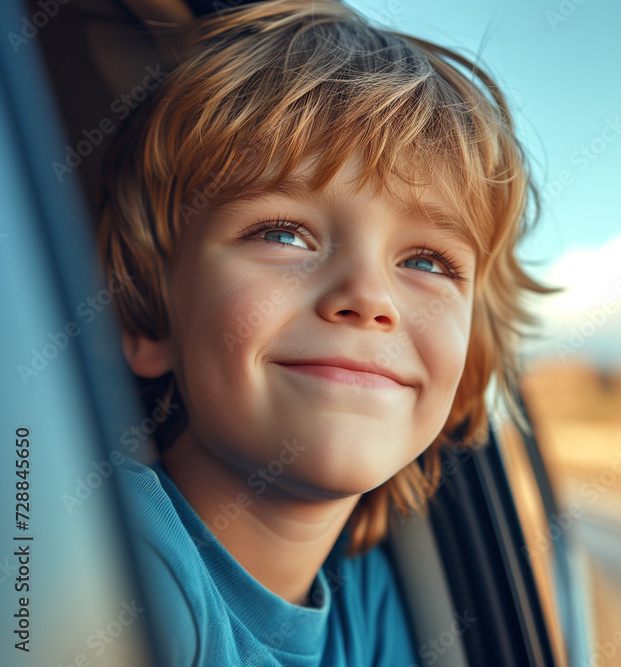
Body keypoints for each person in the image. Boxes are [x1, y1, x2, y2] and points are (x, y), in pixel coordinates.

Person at [97, 1, 550, 664]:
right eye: (283, 233)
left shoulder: (373, 594)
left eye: (426, 262)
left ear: (466, 367)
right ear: (147, 315)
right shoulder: (122, 554)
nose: (367, 298)